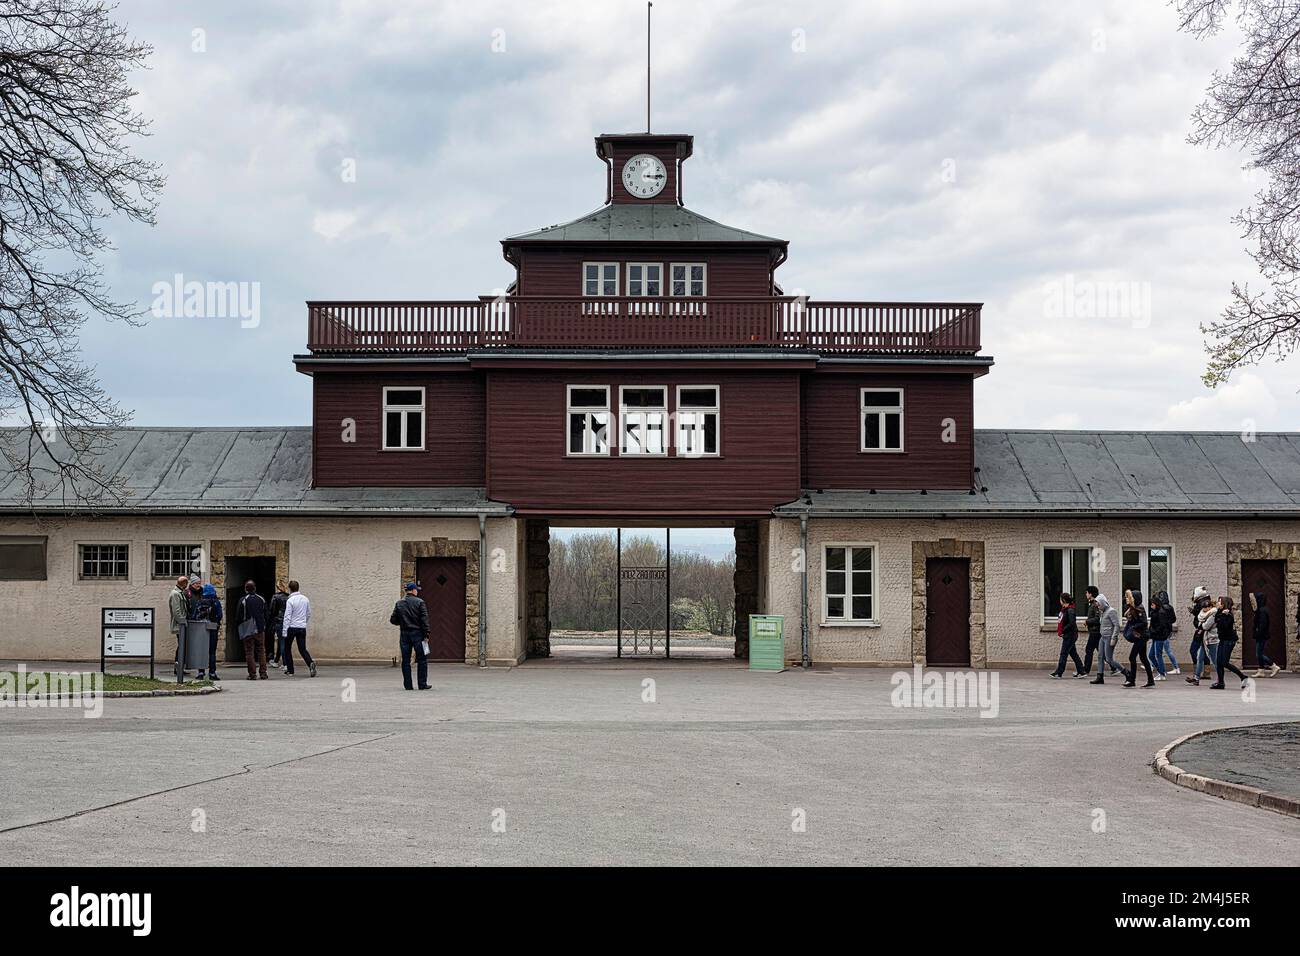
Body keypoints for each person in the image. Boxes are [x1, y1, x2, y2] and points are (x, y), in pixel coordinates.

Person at [390, 582, 432, 691]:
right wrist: (427, 633)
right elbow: (424, 620)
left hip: (404, 634)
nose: (417, 591)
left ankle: (408, 685)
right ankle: (422, 684)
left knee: (406, 660)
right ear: (413, 590)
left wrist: (403, 622)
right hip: (418, 634)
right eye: (416, 590)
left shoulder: (399, 603)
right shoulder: (420, 602)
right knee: (422, 659)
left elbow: (393, 620)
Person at [1210, 596, 1250, 689]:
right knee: (1219, 662)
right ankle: (1220, 683)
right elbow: (1216, 620)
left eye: (1219, 602)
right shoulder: (1220, 613)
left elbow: (1224, 626)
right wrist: (1219, 613)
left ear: (1224, 604)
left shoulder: (1228, 615)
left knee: (1224, 662)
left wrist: (1223, 615)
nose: (1217, 603)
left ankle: (1243, 677)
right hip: (1223, 639)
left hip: (1229, 640)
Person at [281, 580, 316, 677]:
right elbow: (308, 613)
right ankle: (310, 663)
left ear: (290, 589)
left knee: (287, 649)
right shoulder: (305, 599)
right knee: (302, 649)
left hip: (292, 627)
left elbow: (287, 616)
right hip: (301, 627)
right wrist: (304, 622)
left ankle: (290, 670)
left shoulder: (290, 600)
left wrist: (284, 631)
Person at [235, 581, 269, 681]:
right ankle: (263, 673)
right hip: (260, 628)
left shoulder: (243, 600)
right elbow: (266, 614)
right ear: (255, 588)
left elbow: (238, 616)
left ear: (246, 589)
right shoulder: (261, 599)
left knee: (249, 652)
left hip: (247, 629)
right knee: (261, 650)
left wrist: (240, 626)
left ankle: (252, 674)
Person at [1121, 588, 1154, 688]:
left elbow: (1144, 622)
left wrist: (1134, 627)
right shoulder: (1134, 607)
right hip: (1141, 636)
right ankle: (1150, 680)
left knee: (1132, 657)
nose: (1127, 599)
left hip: (1142, 636)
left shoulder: (1140, 608)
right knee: (1143, 658)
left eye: (1129, 597)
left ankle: (1132, 680)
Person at [191, 582, 223, 682]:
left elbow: (195, 615)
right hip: (213, 627)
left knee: (202, 650)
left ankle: (201, 672)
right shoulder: (216, 602)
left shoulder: (200, 601)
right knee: (212, 651)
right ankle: (212, 673)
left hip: (201, 628)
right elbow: (220, 614)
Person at [1050, 592, 1085, 678]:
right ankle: (1081, 671)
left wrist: (1063, 630)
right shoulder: (1066, 609)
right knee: (1073, 654)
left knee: (1063, 653)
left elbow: (1072, 623)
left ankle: (1059, 672)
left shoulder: (1070, 610)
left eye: (1060, 599)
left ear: (1064, 600)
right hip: (1069, 635)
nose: (1059, 601)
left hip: (1070, 635)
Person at [1090, 592, 1123, 683]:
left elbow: (1116, 625)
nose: (1097, 606)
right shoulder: (1103, 612)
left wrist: (1114, 637)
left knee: (1109, 659)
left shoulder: (1111, 611)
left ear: (1103, 602)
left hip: (1109, 638)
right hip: (1103, 637)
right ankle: (1100, 676)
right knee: (1100, 656)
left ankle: (1126, 672)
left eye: (1098, 604)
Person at [1186, 586, 1215, 685]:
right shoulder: (1206, 600)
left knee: (1193, 650)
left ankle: (1197, 673)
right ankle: (1201, 674)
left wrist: (1194, 613)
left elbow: (1201, 619)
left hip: (1201, 631)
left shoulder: (1201, 603)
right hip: (1203, 631)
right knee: (1202, 653)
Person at [1249, 591, 1280, 678]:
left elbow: (1263, 624)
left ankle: (1273, 666)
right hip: (1261, 635)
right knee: (1259, 653)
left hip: (1261, 635)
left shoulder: (1262, 611)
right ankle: (1261, 670)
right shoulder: (1260, 610)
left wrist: (1258, 633)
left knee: (1259, 654)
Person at [1149, 591, 1179, 676]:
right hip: (1162, 634)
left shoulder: (1161, 612)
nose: (1151, 606)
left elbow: (1161, 625)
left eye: (1152, 604)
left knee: (1160, 653)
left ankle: (1163, 672)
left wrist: (1153, 631)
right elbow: (1173, 619)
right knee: (1157, 653)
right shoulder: (1168, 608)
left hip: (1160, 635)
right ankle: (1162, 670)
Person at [168, 575, 190, 671]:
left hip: (181, 624)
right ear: (183, 583)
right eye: (186, 583)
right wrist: (183, 622)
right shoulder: (175, 594)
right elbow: (176, 611)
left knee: (183, 646)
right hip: (179, 625)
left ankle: (180, 666)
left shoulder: (180, 593)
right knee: (181, 646)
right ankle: (178, 667)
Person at [1081, 587, 1103, 676]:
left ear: (1090, 594)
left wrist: (1087, 621)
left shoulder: (1095, 604)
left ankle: (1085, 670)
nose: (1086, 594)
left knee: (1089, 650)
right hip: (1094, 630)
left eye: (1087, 592)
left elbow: (1098, 618)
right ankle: (1114, 667)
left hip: (1095, 631)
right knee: (1101, 651)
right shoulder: (1092, 604)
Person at [267, 586, 289, 669]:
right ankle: (276, 661)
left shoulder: (275, 597)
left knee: (282, 642)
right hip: (287, 620)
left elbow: (272, 610)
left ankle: (285, 663)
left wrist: (271, 621)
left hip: (278, 621)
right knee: (281, 641)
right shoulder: (289, 597)